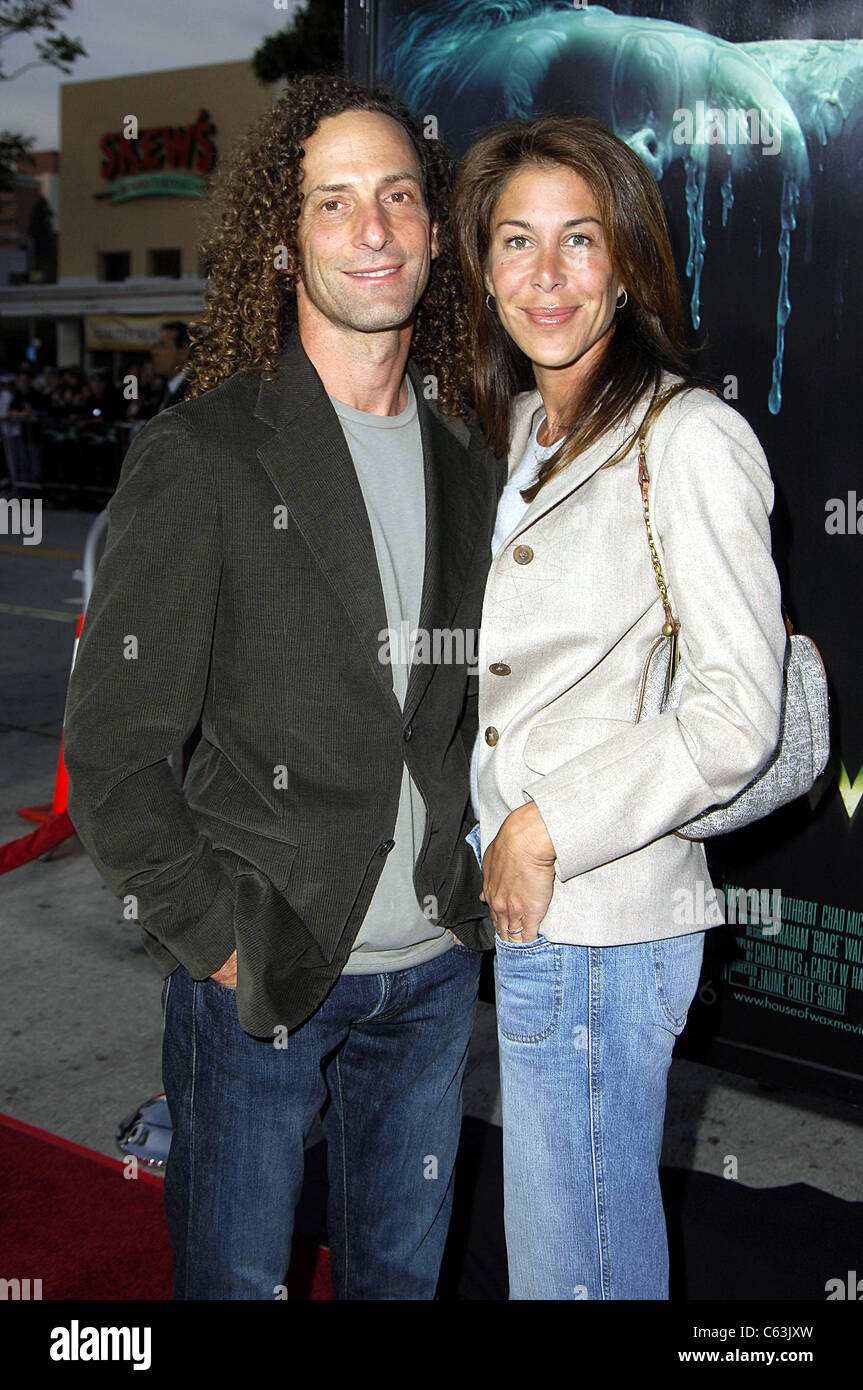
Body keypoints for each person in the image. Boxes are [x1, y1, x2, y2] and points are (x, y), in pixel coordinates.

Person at [63, 74, 501, 1301]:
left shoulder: (469, 457)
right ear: (283, 236)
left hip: (428, 981)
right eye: (333, 203)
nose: (372, 229)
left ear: (428, 230)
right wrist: (214, 943)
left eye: (397, 197)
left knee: (398, 1287)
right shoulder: (202, 455)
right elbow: (109, 752)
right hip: (261, 982)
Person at [451, 114, 788, 1300]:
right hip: (539, 919)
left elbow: (737, 709)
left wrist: (544, 821)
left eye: (577, 239)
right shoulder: (516, 436)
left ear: (628, 260)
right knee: (569, 1256)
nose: (543, 276)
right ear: (481, 264)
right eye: (514, 241)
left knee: (576, 1270)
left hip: (604, 915)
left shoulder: (686, 437)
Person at [150, 321, 191, 412]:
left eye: (162, 346)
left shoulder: (193, 393)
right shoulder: (164, 390)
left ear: (183, 352)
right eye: (156, 346)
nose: (155, 352)